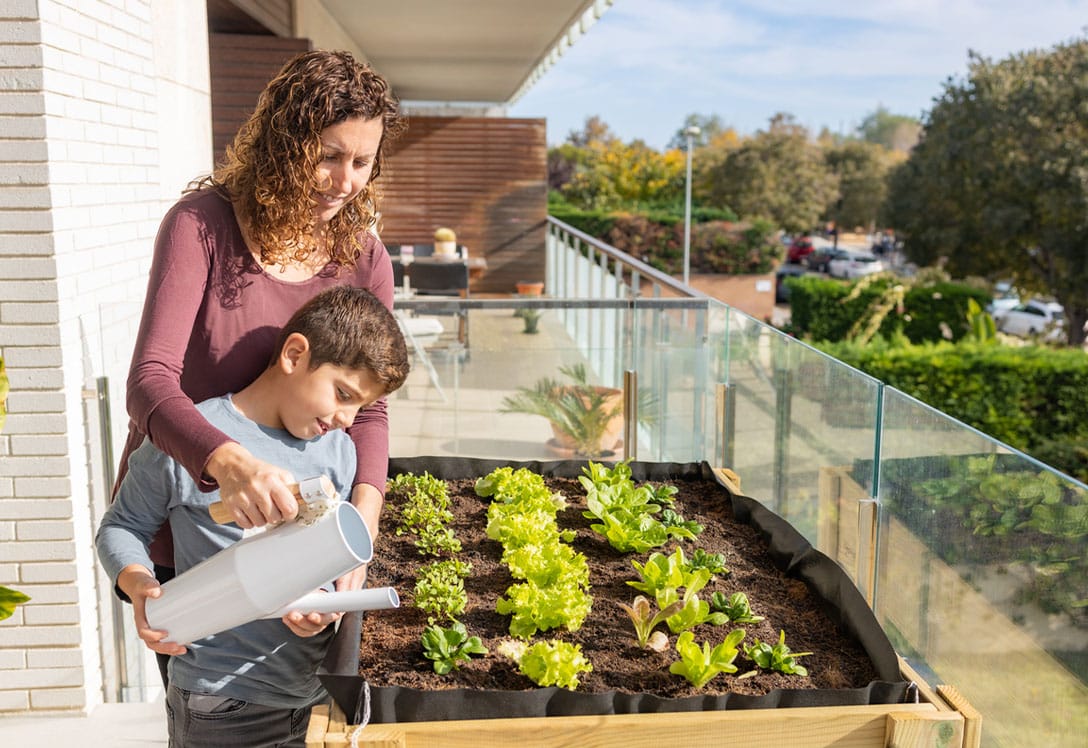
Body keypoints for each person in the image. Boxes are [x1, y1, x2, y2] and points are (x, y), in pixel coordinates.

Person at [116, 49, 406, 685]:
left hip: (305, 540)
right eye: (329, 155)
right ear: (285, 141)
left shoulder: (364, 257)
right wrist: (230, 463)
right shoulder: (202, 226)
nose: (346, 180)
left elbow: (372, 411)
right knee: (212, 703)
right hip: (196, 526)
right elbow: (149, 383)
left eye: (362, 162)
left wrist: (358, 535)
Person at [97, 286, 410, 748]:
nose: (348, 418)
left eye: (360, 407)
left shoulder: (340, 453)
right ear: (295, 354)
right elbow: (121, 526)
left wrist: (321, 603)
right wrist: (139, 583)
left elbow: (324, 554)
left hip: (314, 699)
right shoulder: (193, 439)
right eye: (342, 394)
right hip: (221, 702)